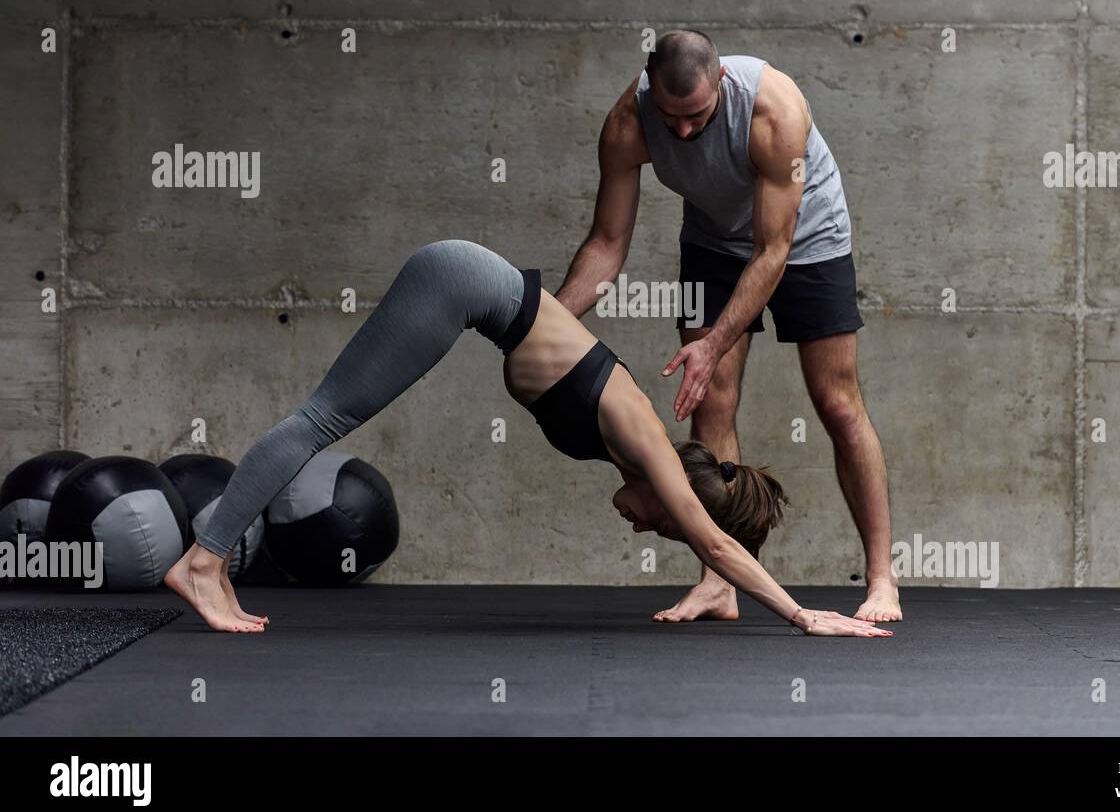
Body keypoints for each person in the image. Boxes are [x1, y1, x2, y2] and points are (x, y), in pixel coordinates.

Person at [165, 240, 893, 640]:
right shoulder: (645, 439)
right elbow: (716, 544)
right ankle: (203, 562)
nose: (636, 524)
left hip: (476, 293)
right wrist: (803, 615)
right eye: (654, 522)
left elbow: (705, 533)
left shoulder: (634, 447)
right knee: (325, 418)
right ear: (668, 499)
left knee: (326, 417)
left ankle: (213, 561)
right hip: (460, 282)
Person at [554, 29, 901, 625]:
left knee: (837, 402)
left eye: (696, 116)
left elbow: (773, 250)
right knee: (709, 401)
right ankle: (718, 581)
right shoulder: (627, 123)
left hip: (807, 238)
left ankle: (881, 577)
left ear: (721, 82)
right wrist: (549, 323)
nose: (682, 132)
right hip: (712, 242)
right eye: (671, 117)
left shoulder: (774, 108)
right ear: (649, 85)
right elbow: (607, 243)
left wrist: (714, 343)